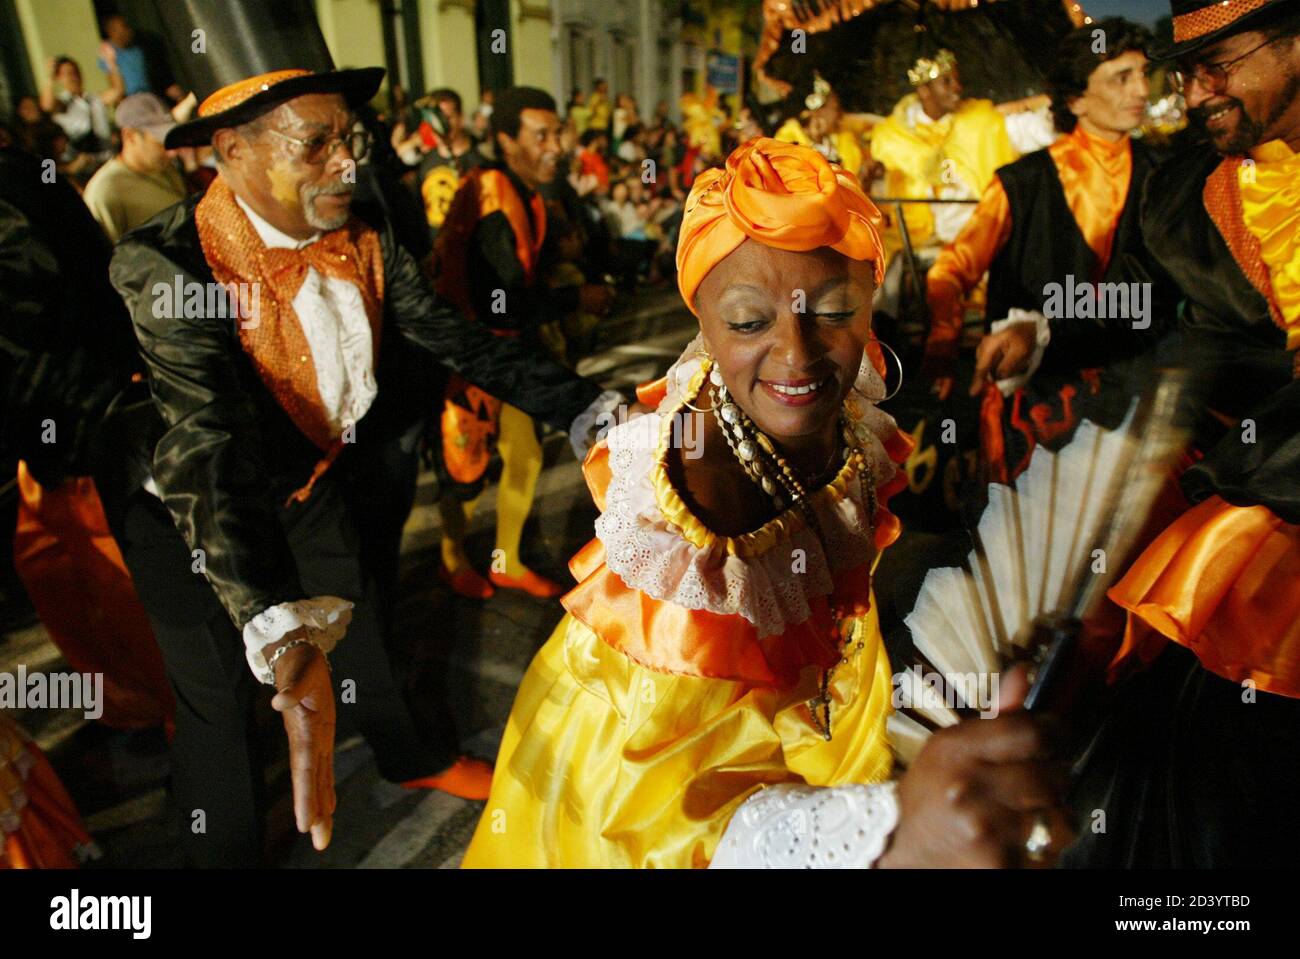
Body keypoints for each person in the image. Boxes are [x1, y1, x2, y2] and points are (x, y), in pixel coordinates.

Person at [463, 138, 1071, 868]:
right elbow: (668, 817)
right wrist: (889, 832)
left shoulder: (843, 417)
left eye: (836, 310)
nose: (798, 354)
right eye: (751, 321)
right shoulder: (698, 509)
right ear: (703, 321)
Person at [106, 51, 622, 864]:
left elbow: (460, 339)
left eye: (348, 140)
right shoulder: (166, 261)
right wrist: (276, 624)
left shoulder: (365, 237)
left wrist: (592, 408)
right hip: (188, 514)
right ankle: (226, 851)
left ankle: (410, 754)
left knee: (364, 616)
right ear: (232, 150)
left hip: (308, 478)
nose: (347, 161)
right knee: (222, 702)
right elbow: (202, 443)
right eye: (315, 143)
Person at [981, 0, 1300, 868]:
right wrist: (1041, 328)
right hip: (1247, 508)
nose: (1193, 90)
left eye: (1219, 62)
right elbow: (1133, 294)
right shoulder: (1183, 189)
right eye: (1182, 66)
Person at [922, 19, 1175, 483]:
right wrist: (943, 342)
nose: (1142, 88)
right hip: (1034, 405)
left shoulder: (1165, 179)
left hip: (1134, 396)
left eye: (1143, 72)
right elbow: (953, 268)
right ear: (1075, 99)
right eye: (1122, 77)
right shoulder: (1022, 183)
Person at [432, 87, 611, 599]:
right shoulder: (491, 193)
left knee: (525, 454)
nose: (556, 146)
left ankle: (505, 558)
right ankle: (450, 557)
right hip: (468, 358)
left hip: (503, 354)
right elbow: (500, 302)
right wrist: (576, 296)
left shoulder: (524, 192)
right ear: (506, 140)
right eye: (542, 135)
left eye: (557, 133)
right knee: (464, 467)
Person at [870, 49, 1056, 248]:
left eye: (957, 79)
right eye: (946, 81)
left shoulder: (979, 121)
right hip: (914, 242)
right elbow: (879, 193)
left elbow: (1035, 130)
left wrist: (1055, 103)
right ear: (925, 91)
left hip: (978, 237)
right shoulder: (892, 136)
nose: (957, 87)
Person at [82, 93, 188, 242]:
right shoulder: (105, 191)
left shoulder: (165, 167)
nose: (173, 152)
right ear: (130, 136)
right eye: (161, 142)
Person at [416, 88, 488, 237]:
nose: (439, 126)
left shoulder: (480, 162)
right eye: (434, 119)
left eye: (447, 118)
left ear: (460, 118)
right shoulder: (426, 161)